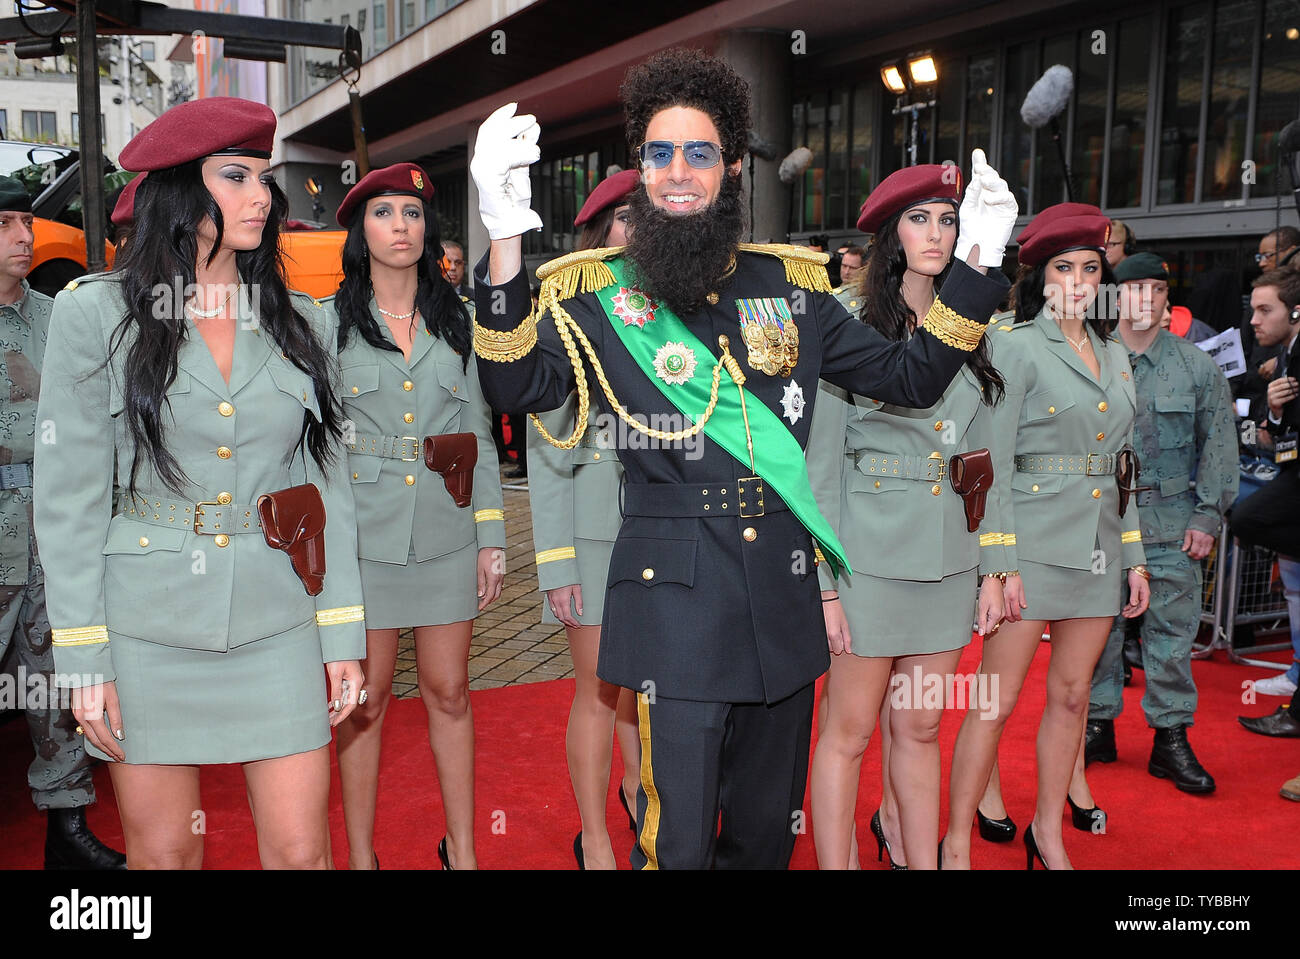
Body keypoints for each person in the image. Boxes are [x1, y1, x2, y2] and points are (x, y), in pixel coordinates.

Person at [467, 48, 1016, 869]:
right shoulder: (594, 295)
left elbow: (910, 375)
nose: (678, 172)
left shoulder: (791, 288)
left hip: (780, 601)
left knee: (764, 840)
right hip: (673, 607)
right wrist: (505, 244)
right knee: (680, 844)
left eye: (699, 153)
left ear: (728, 167)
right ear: (641, 169)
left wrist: (975, 266)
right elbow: (513, 388)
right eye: (660, 154)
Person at [33, 97, 367, 869]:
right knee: (163, 858)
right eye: (237, 176)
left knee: (302, 852)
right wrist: (84, 662)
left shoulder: (302, 325)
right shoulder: (96, 317)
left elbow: (329, 492)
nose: (262, 196)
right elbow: (71, 504)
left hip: (278, 620)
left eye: (264, 178)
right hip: (146, 629)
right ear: (181, 189)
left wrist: (342, 632)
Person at [806, 165, 1010, 871]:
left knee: (921, 725)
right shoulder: (842, 319)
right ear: (890, 232)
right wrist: (826, 583)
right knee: (849, 731)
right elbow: (818, 463)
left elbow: (988, 457)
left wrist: (992, 565)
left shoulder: (973, 322)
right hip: (864, 556)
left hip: (949, 555)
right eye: (920, 218)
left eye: (948, 219)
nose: (937, 233)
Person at [943, 203, 1151, 870]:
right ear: (1039, 275)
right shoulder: (1014, 343)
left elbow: (1122, 466)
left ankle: (1048, 833)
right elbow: (988, 461)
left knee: (1071, 696)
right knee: (994, 701)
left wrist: (1135, 556)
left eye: (1091, 266)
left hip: (1096, 549)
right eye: (1065, 266)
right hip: (1028, 545)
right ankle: (952, 843)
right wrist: (997, 565)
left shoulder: (1117, 354)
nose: (1080, 279)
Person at [331, 163, 504, 871]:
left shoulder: (456, 320)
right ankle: (363, 856)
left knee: (451, 691)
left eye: (411, 212)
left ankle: (462, 849)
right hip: (363, 541)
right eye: (383, 213)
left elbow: (481, 434)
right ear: (360, 231)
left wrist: (491, 537)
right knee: (364, 703)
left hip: (444, 529)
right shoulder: (326, 321)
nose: (400, 226)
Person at [0, 175, 125, 869]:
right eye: (8, 223)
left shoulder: (62, 317)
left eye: (26, 220)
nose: (25, 236)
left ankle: (67, 829)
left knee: (53, 686)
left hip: (50, 534)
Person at [1083, 252, 1236, 795]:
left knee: (1171, 632)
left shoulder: (1197, 368)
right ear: (1114, 296)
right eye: (1132, 288)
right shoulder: (1091, 359)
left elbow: (1219, 444)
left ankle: (1170, 738)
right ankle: (1097, 725)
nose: (1143, 299)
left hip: (1172, 522)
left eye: (1154, 289)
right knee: (1097, 630)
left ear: (1167, 298)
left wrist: (1208, 514)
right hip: (1099, 520)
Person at [528, 168, 641, 869]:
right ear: (600, 232)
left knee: (650, 683)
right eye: (626, 218)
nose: (639, 231)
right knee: (600, 690)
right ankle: (594, 835)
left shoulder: (682, 305)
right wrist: (556, 560)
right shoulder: (566, 314)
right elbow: (547, 447)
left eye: (648, 216)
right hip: (596, 532)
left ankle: (641, 791)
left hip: (665, 525)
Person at [1233, 268, 1300, 701]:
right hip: (1289, 469)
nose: (1254, 320)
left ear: (1295, 310)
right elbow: (1280, 430)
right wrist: (1274, 414)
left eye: (1264, 310)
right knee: (1292, 577)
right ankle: (1297, 672)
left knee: (1246, 516)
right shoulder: (1286, 354)